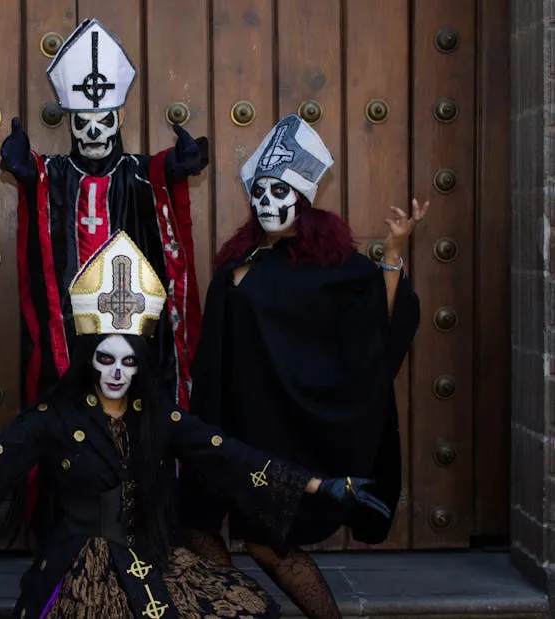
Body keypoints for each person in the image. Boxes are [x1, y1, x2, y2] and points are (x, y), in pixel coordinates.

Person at [0, 231, 391, 619]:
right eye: (105, 360)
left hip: (152, 558)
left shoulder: (159, 418)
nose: (116, 373)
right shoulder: (55, 419)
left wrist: (326, 485)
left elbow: (231, 456)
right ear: (88, 361)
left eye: (128, 361)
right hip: (77, 568)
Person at [178, 114, 424, 619]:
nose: (268, 202)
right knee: (196, 526)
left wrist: (395, 251)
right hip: (227, 423)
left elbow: (375, 320)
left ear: (303, 200)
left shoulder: (330, 271)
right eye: (260, 193)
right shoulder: (238, 262)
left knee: (268, 543)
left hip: (283, 428)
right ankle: (240, 612)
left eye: (279, 192)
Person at [0, 18, 208, 410]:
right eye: (83, 123)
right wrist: (23, 167)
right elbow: (36, 177)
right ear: (69, 124)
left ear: (121, 119)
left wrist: (181, 164)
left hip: (135, 334)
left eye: (104, 121)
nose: (94, 132)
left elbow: (162, 173)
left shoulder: (141, 174)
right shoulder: (54, 176)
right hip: (72, 333)